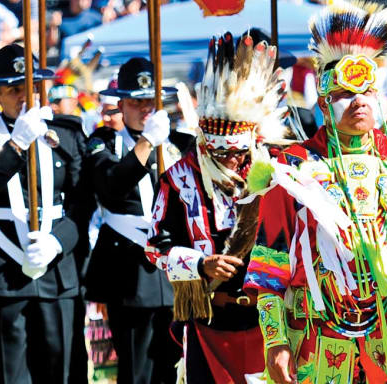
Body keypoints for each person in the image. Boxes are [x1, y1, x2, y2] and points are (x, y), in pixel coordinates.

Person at [245, 4, 387, 382]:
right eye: (345, 93)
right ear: (323, 103)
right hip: (318, 343)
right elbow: (270, 264)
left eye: (367, 90)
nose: (359, 101)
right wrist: (275, 341)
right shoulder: (292, 171)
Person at [147, 30, 282, 382]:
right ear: (205, 144)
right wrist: (200, 263)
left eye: (239, 151)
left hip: (270, 323)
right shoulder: (177, 180)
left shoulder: (274, 176)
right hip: (208, 320)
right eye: (221, 152)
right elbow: (153, 245)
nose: (232, 161)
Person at [0, 44, 84, 384]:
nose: (23, 96)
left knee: (60, 371)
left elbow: (82, 202)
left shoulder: (68, 134)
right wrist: (16, 144)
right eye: (13, 89)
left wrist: (59, 242)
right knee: (12, 374)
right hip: (4, 270)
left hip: (56, 272)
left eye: (29, 86)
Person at [81, 57, 191, 384]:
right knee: (136, 368)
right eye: (135, 101)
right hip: (126, 267)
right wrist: (146, 143)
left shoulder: (178, 144)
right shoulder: (104, 141)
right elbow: (112, 186)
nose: (144, 108)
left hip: (172, 267)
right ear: (121, 105)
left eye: (149, 101)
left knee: (172, 366)